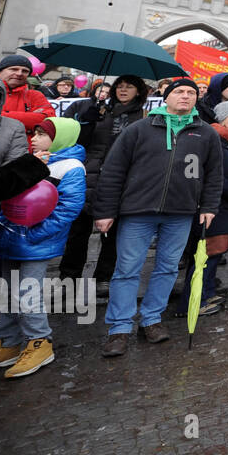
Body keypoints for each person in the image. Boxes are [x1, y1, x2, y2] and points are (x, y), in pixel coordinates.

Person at [92, 78, 222, 357]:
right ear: (166, 96)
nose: (186, 97)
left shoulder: (206, 133)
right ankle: (120, 327)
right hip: (138, 211)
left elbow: (213, 174)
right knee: (127, 270)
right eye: (179, 92)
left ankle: (151, 319)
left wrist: (209, 206)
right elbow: (114, 171)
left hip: (181, 212)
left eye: (191, 92)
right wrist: (105, 211)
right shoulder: (139, 129)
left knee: (167, 268)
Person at [0, 118, 87, 378]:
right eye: (34, 133)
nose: (34, 139)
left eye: (42, 134)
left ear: (60, 139)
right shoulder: (29, 161)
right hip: (12, 237)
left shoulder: (71, 166)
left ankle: (39, 342)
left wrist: (36, 234)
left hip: (35, 241)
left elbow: (68, 209)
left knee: (28, 292)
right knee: (6, 290)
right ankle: (8, 342)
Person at [60, 74, 150, 297]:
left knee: (112, 233)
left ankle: (103, 278)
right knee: (78, 231)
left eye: (129, 87)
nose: (123, 90)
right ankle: (68, 278)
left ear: (138, 91)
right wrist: (86, 122)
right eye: (119, 86)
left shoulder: (145, 116)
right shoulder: (98, 109)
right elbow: (79, 142)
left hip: (122, 177)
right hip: (89, 174)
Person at [175, 101, 228, 317]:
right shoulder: (211, 138)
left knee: (216, 255)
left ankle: (207, 293)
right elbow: (209, 173)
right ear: (222, 118)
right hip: (214, 206)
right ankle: (192, 303)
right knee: (206, 257)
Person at [0, 55, 53, 135]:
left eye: (25, 71)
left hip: (25, 146)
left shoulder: (35, 95)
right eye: (14, 69)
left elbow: (48, 121)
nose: (19, 73)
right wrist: (29, 117)